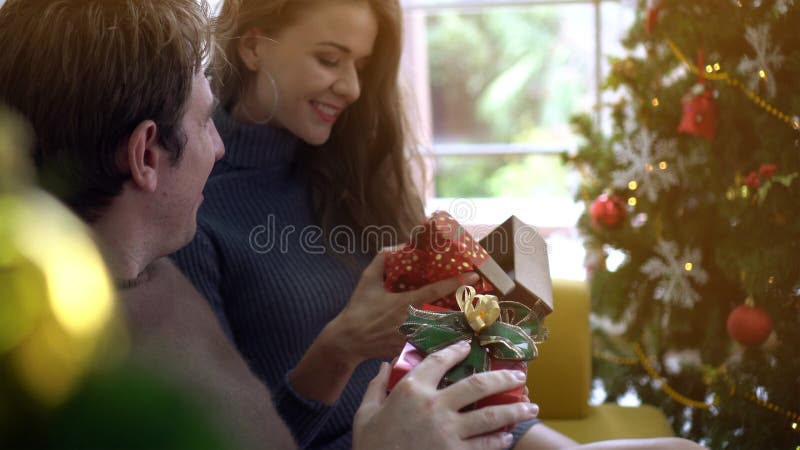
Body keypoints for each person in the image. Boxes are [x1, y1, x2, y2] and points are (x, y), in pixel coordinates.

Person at [0, 1, 539, 449]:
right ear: (145, 153)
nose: (219, 145)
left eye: (361, 65)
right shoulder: (118, 332)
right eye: (207, 121)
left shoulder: (344, 172)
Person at [173, 1, 708, 449]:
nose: (354, 87)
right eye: (329, 59)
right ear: (252, 45)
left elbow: (427, 348)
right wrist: (338, 350)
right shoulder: (193, 213)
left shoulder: (345, 173)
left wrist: (482, 303)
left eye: (361, 64)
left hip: (461, 425)